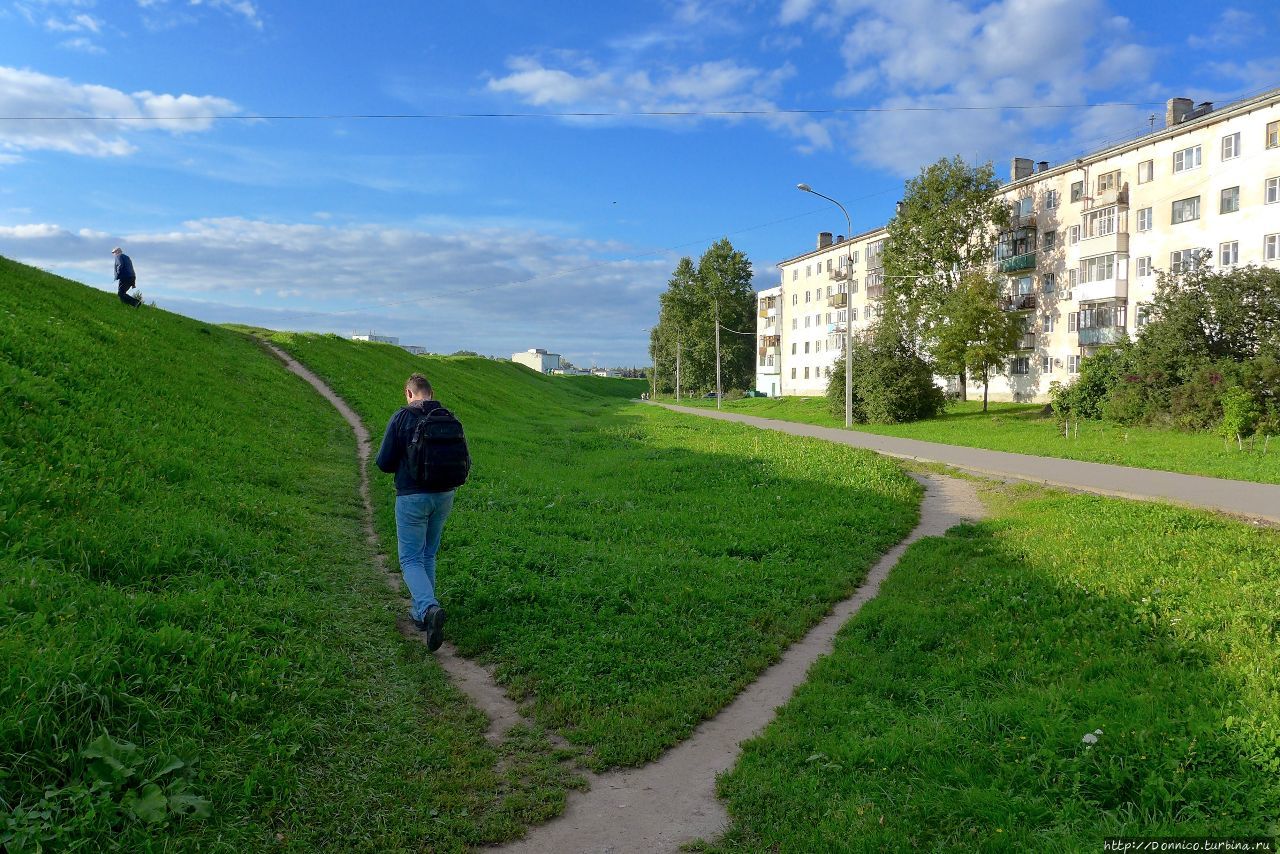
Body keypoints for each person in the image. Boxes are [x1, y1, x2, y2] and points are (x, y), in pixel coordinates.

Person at [375, 373, 457, 651]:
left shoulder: (402, 417)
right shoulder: (448, 416)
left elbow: (383, 462)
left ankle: (428, 608)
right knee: (428, 554)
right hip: (445, 495)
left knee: (410, 558)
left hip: (412, 497)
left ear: (408, 393)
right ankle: (422, 613)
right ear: (431, 393)